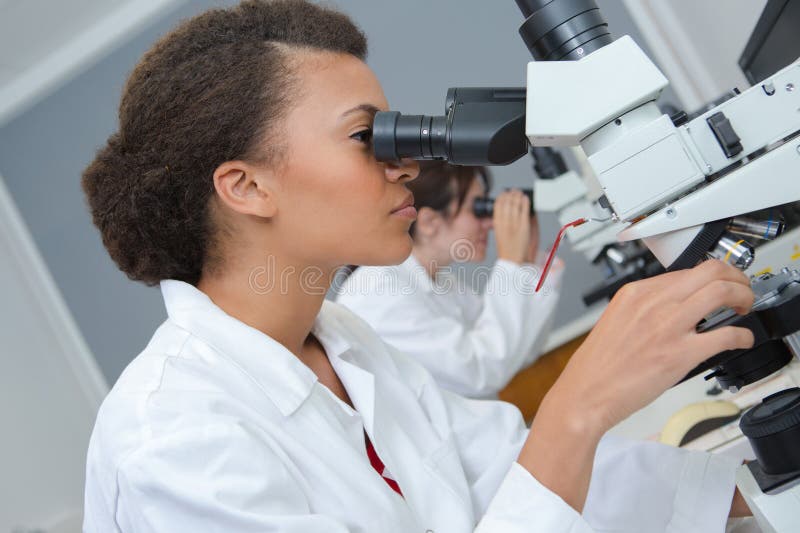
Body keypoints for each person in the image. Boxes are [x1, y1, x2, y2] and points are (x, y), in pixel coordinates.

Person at [81, 1, 755, 531]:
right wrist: (579, 405)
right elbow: (552, 441)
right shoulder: (173, 435)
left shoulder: (346, 344)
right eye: (363, 136)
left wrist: (757, 494)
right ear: (248, 187)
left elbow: (505, 468)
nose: (404, 163)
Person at [337, 161, 562, 398]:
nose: (490, 223)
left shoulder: (443, 283)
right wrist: (511, 265)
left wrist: (525, 265)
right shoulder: (378, 293)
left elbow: (518, 353)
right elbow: (482, 372)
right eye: (477, 209)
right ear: (429, 223)